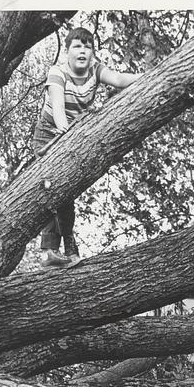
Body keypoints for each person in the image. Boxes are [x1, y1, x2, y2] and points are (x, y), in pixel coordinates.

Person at [33, 26, 141, 268]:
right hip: (50, 135)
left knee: (67, 194)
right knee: (52, 189)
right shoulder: (57, 73)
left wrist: (148, 76)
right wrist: (64, 130)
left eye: (88, 46)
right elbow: (59, 109)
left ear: (93, 52)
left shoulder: (95, 69)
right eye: (77, 46)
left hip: (75, 137)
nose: (83, 51)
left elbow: (119, 79)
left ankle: (63, 247)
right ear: (68, 52)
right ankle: (52, 249)